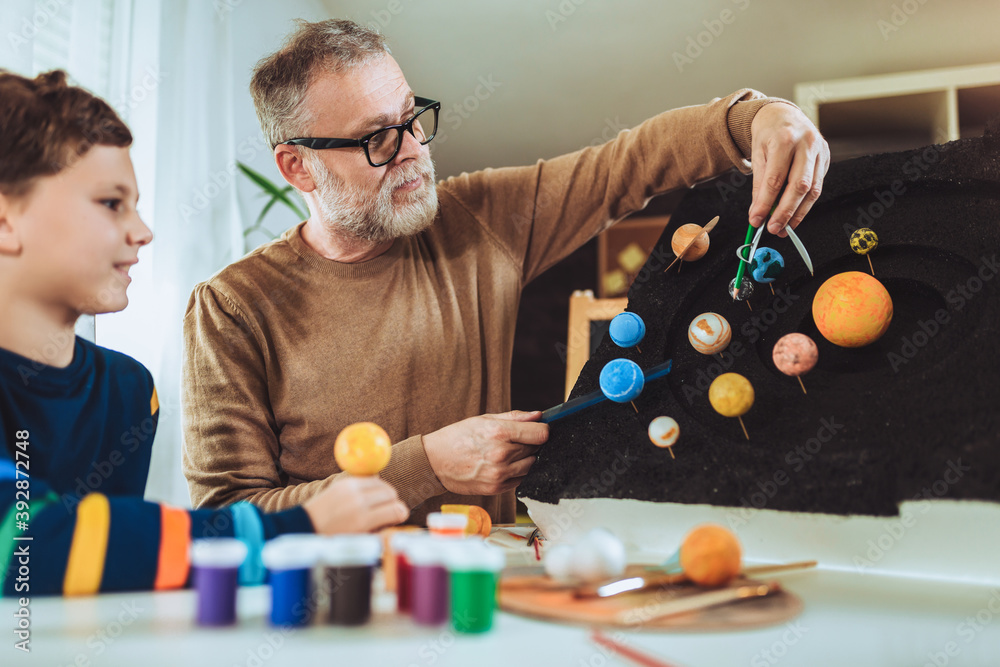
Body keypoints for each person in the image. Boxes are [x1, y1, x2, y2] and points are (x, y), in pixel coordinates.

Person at [182, 19, 830, 525]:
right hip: (328, 614)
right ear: (296, 167)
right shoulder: (232, 309)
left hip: (484, 599)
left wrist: (758, 118)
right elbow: (227, 521)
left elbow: (628, 165)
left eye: (412, 117)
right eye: (379, 138)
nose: (414, 152)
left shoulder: (479, 217)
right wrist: (427, 464)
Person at [0, 70, 408, 596]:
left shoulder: (126, 392)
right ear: (7, 220)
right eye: (110, 202)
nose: (142, 231)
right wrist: (299, 527)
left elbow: (114, 578)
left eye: (136, 204)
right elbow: (27, 545)